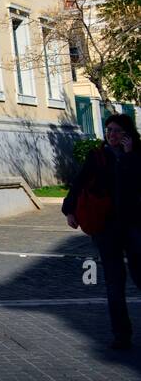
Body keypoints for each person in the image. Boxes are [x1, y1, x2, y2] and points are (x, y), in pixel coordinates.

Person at [64, 113, 141, 350]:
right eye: (109, 130)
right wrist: (69, 209)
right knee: (114, 282)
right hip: (106, 227)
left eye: (117, 131)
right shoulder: (97, 156)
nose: (112, 135)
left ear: (128, 134)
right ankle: (121, 334)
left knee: (140, 275)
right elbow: (79, 181)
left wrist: (129, 156)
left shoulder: (137, 156)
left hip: (134, 225)